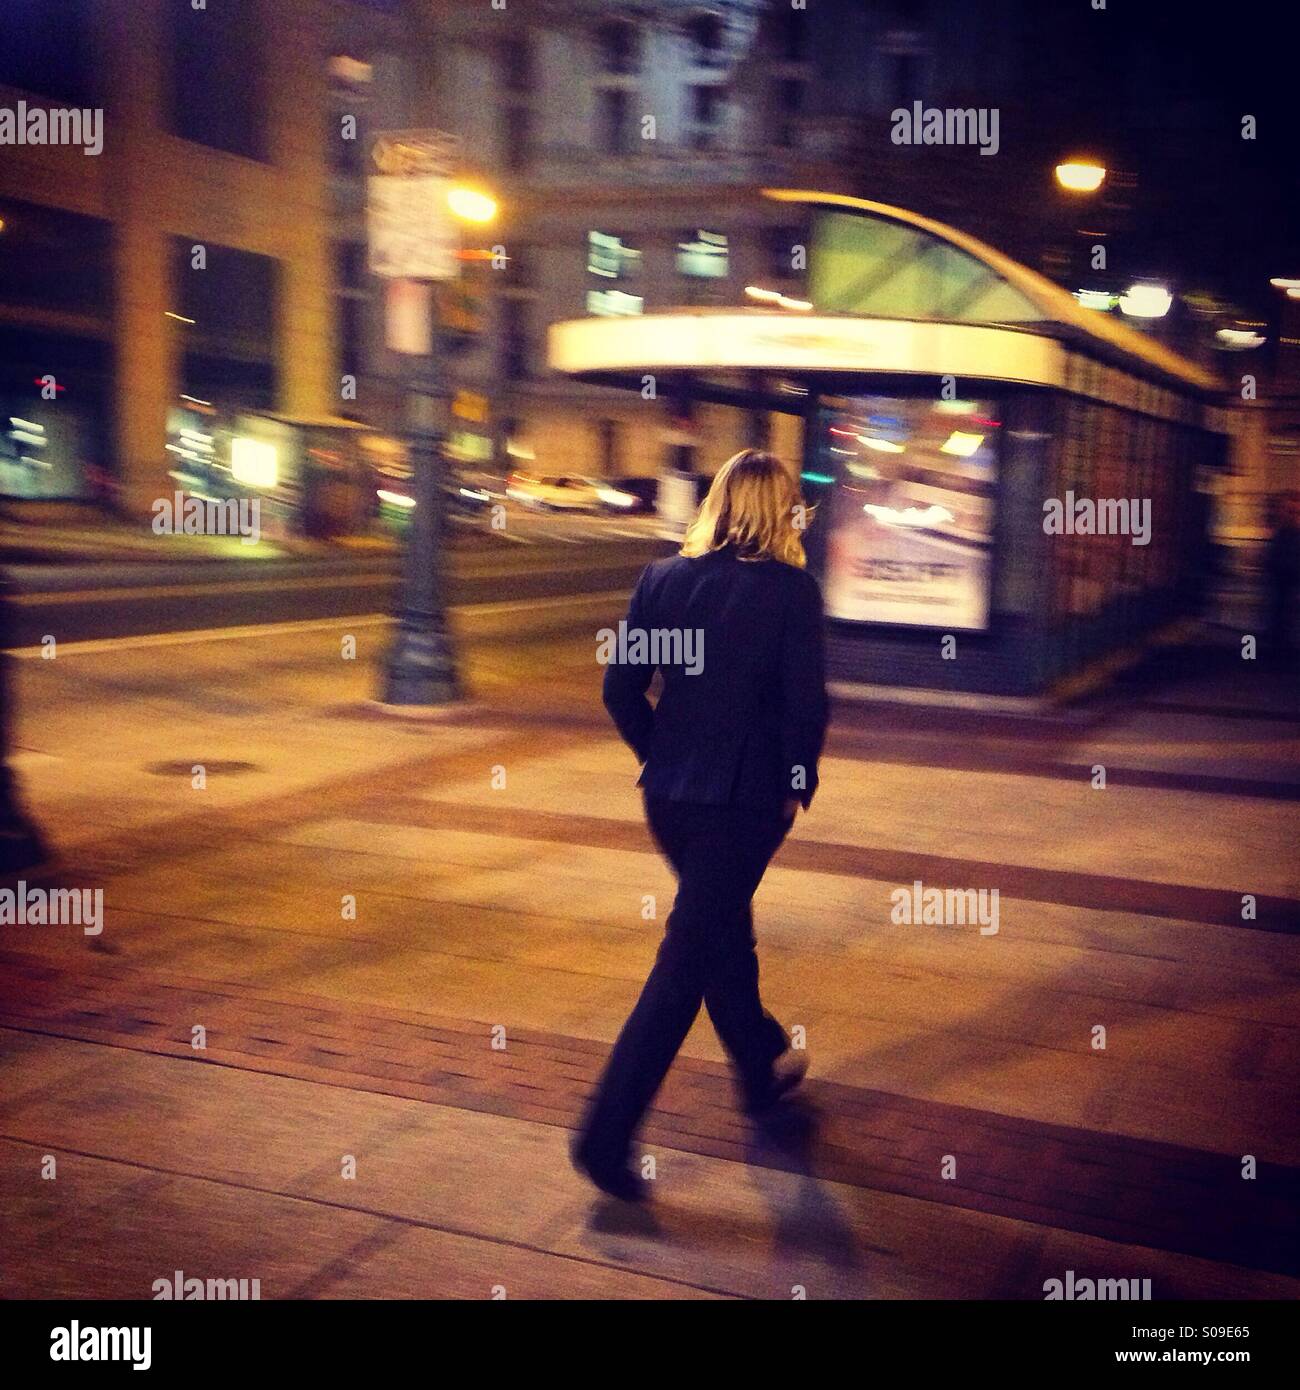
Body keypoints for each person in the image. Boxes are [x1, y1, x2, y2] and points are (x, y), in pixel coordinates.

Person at [572, 448, 829, 1201]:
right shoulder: (791, 593)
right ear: (779, 511)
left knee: (719, 930)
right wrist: (791, 788)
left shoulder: (663, 581)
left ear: (717, 503)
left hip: (670, 800)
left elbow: (621, 690)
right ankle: (604, 1139)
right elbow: (806, 707)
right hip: (744, 804)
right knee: (685, 962)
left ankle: (758, 1065)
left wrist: (664, 756)